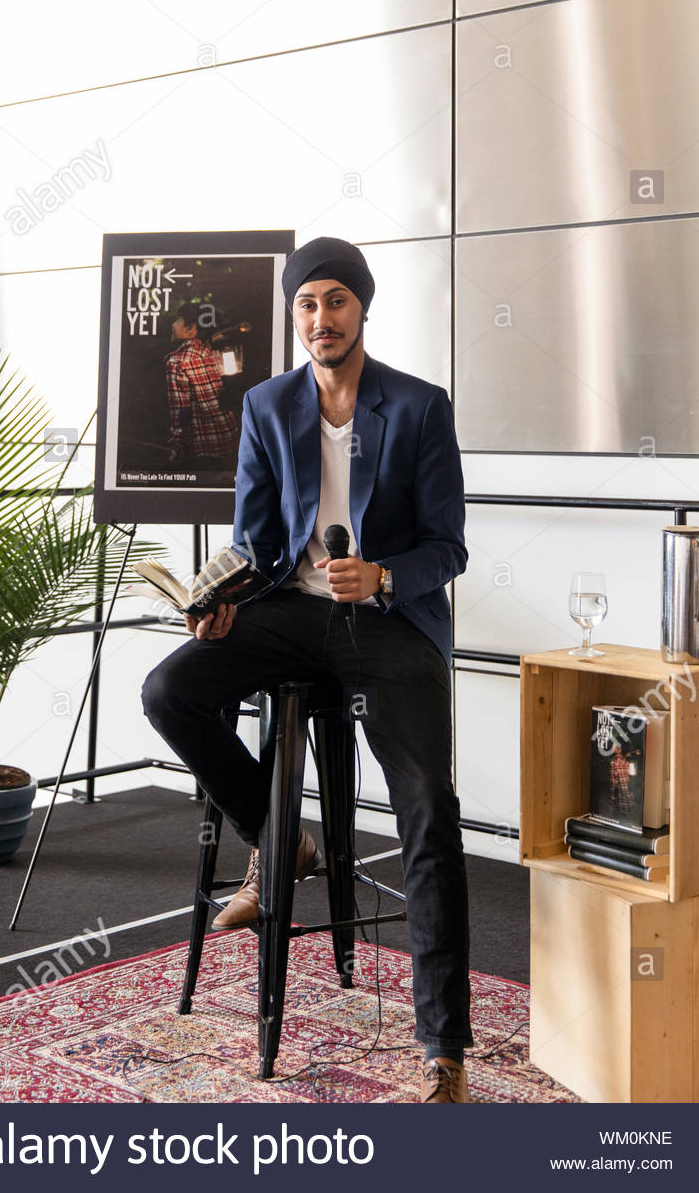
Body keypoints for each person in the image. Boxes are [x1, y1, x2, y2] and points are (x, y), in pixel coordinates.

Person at [142, 237, 472, 1103]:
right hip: (288, 612)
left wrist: (386, 574)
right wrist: (219, 599)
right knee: (170, 691)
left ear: (362, 307)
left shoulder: (421, 407)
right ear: (293, 315)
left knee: (428, 809)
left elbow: (450, 545)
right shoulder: (265, 404)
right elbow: (255, 540)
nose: (320, 319)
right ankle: (282, 841)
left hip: (389, 621)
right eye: (306, 304)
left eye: (334, 301)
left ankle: (444, 1047)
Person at [164, 302, 239, 469]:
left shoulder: (176, 362)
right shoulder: (211, 352)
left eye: (177, 320)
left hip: (204, 447)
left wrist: (176, 445)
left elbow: (180, 411)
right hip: (230, 434)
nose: (172, 324)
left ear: (190, 329)